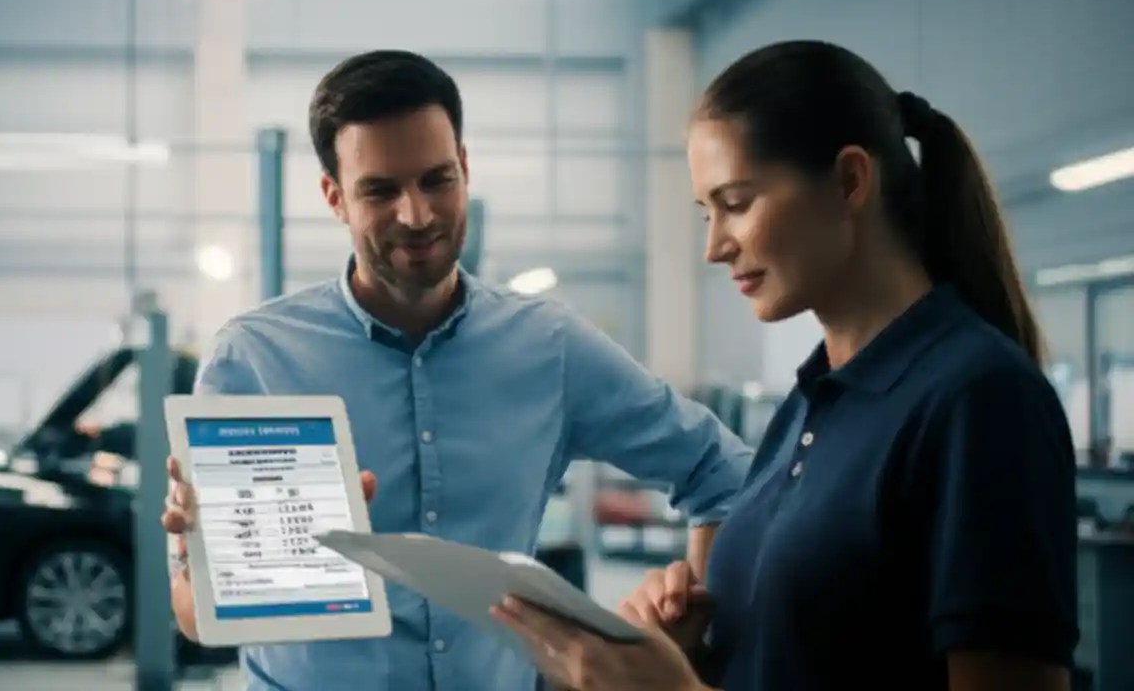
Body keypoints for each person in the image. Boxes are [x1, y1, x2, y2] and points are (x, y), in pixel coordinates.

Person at [493, 39, 1079, 691]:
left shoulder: (979, 398)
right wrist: (689, 656)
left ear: (850, 181)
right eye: (706, 212)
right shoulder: (810, 401)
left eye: (737, 203)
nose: (714, 246)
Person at [160, 49, 753, 691]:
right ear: (335, 198)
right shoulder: (255, 359)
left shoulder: (549, 347)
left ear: (465, 168)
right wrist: (244, 557)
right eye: (380, 190)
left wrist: (688, 641)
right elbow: (195, 618)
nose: (416, 216)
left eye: (436, 180)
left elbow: (722, 472)